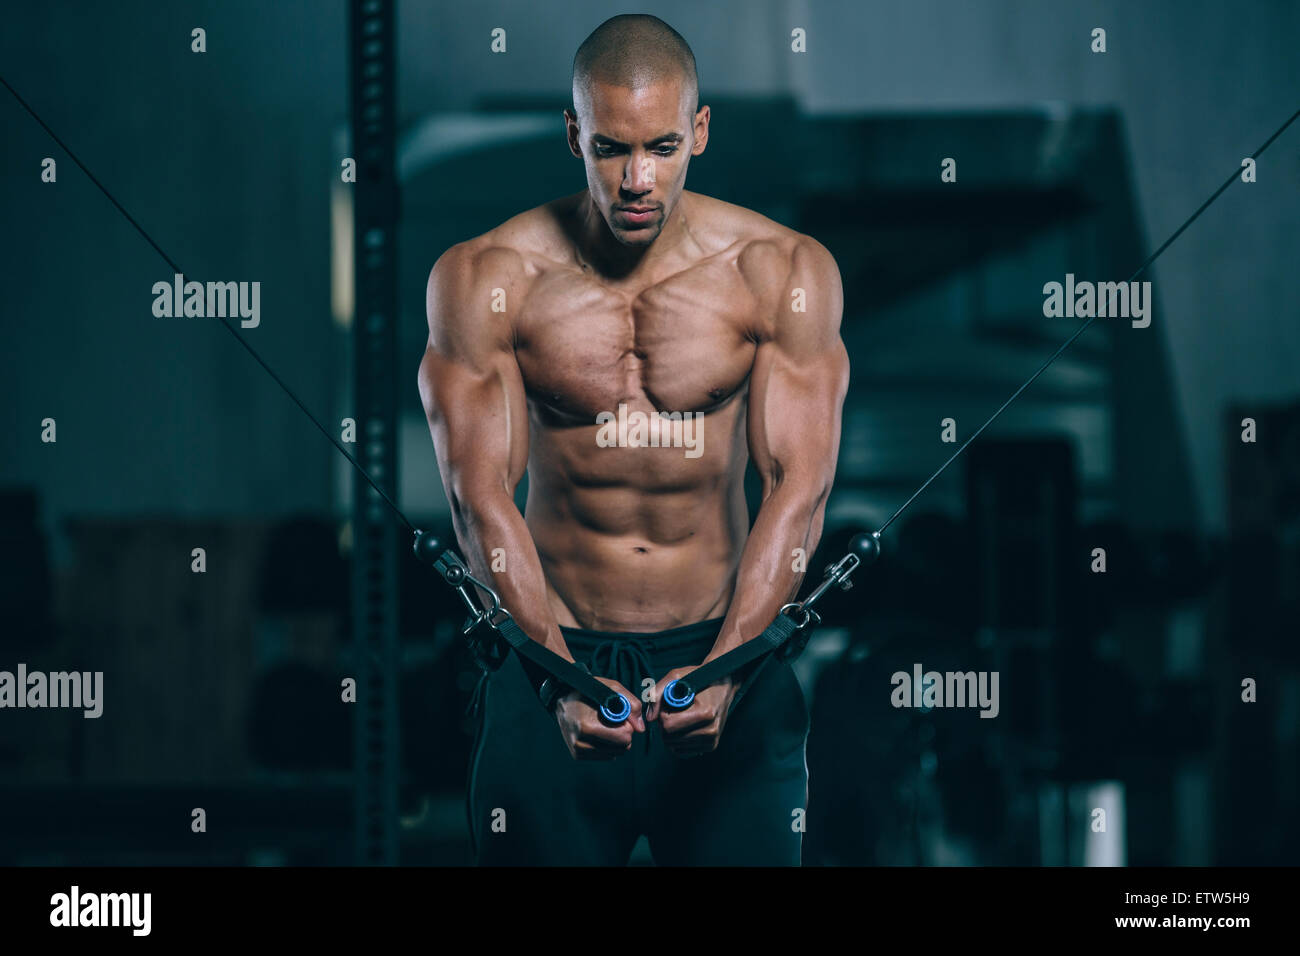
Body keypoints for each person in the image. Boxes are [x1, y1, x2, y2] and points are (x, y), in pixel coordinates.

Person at [418, 14, 849, 865]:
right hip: (552, 641)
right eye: (612, 148)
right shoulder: (486, 279)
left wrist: (733, 666)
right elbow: (479, 499)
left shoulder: (781, 272)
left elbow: (800, 489)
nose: (638, 179)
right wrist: (552, 677)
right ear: (574, 133)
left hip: (730, 648)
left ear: (700, 130)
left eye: (660, 145)